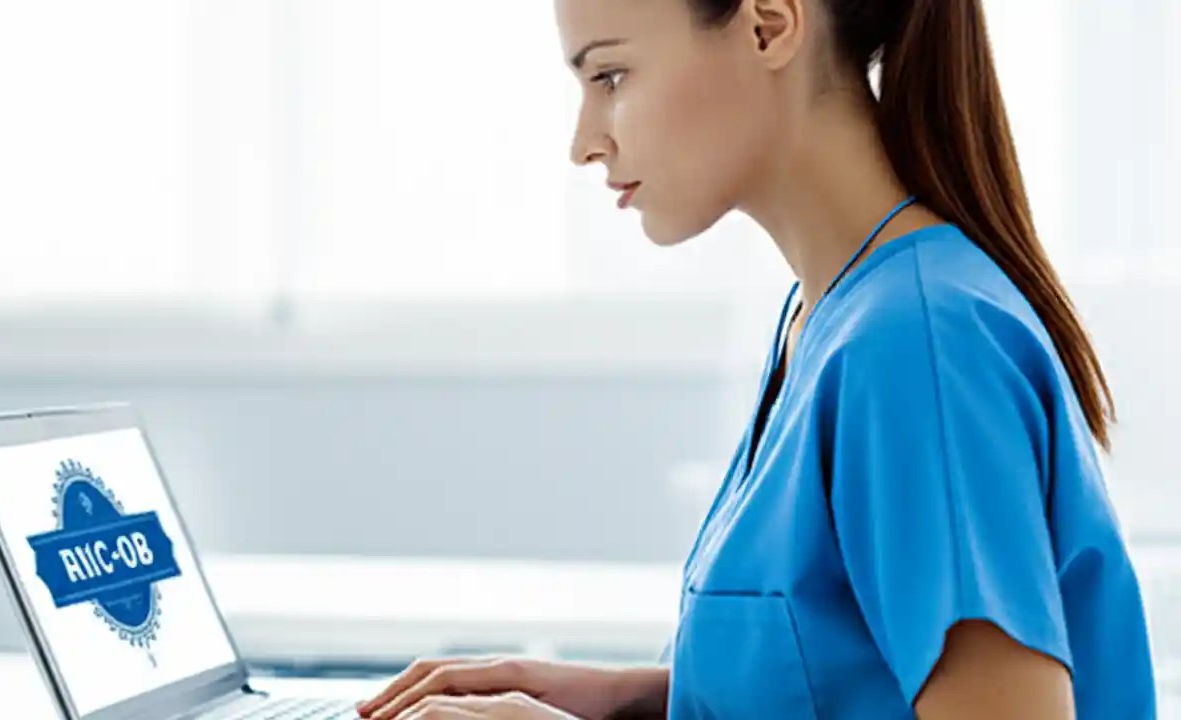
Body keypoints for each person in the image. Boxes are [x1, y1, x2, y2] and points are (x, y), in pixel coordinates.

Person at [355, 0, 1158, 717]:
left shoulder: (916, 346)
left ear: (769, 24)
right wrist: (633, 701)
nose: (584, 142)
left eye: (611, 75)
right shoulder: (827, 316)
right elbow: (846, 673)